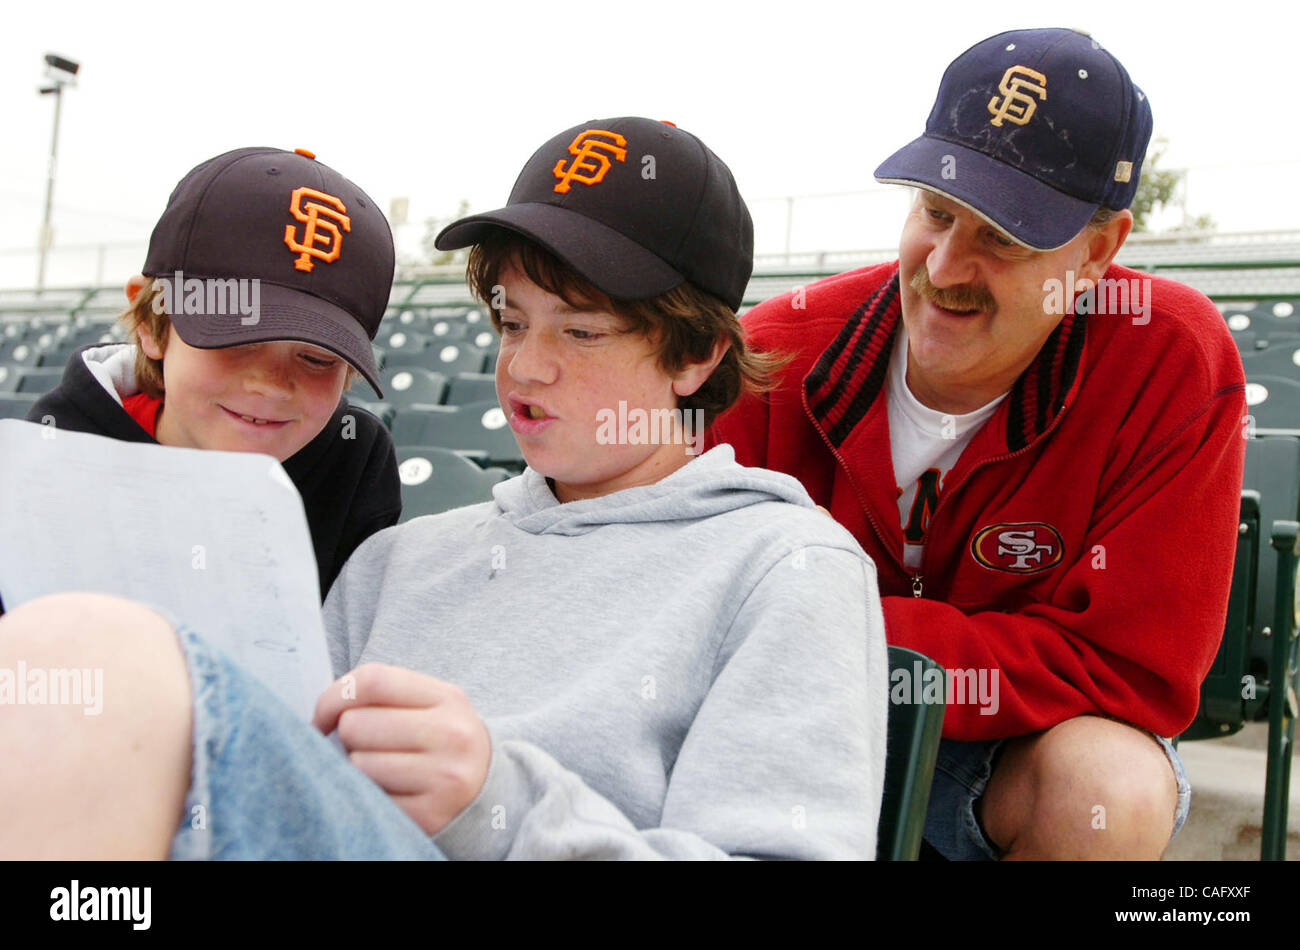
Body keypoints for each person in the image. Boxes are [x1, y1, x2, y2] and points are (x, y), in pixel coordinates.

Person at [0, 118, 886, 860]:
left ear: (698, 356)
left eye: (578, 331)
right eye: (511, 321)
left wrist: (499, 803)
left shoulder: (787, 568)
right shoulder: (395, 561)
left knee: (95, 653)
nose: (525, 366)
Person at [708, 28, 1247, 860]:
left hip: (1005, 747)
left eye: (1004, 235)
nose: (947, 267)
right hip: (786, 715)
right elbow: (696, 605)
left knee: (1109, 788)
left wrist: (839, 634)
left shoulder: (1170, 354)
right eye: (936, 212)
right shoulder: (779, 347)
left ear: (1099, 250)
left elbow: (1136, 672)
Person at [24, 147, 401, 599]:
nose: (271, 384)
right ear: (151, 324)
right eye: (236, 339)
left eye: (317, 358)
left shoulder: (353, 460)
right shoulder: (49, 459)